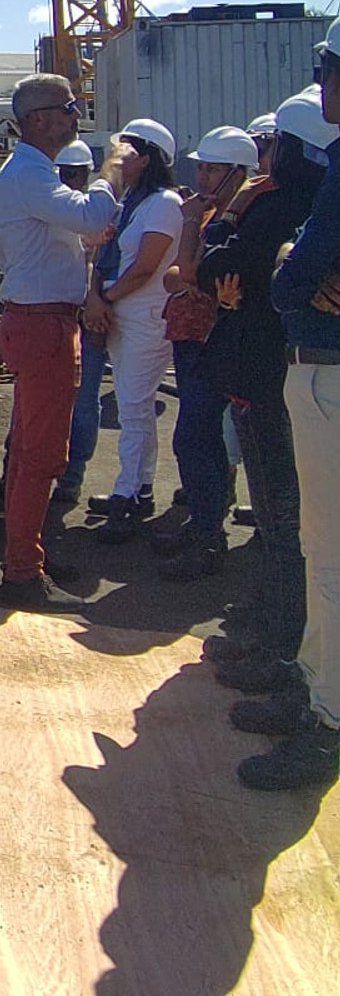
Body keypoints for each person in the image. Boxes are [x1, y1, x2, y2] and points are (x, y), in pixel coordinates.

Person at [204, 100, 330, 720]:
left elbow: (233, 268)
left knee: (288, 526)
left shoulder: (281, 204)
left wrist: (256, 255)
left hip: (270, 375)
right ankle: (284, 639)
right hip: (275, 373)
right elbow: (219, 264)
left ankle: (286, 651)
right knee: (289, 525)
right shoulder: (290, 203)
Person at [246, 24, 340, 791]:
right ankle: (313, 681)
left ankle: (328, 720)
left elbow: (289, 280)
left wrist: (287, 268)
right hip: (320, 372)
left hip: (327, 376)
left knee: (330, 556)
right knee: (318, 547)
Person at [0, 74, 123, 608]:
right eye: (68, 108)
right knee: (42, 454)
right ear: (39, 119)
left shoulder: (32, 174)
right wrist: (112, 168)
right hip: (45, 324)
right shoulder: (28, 174)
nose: (75, 116)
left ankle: (27, 553)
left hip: (39, 319)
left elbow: (78, 226)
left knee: (29, 448)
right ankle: (22, 571)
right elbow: (92, 215)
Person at [152, 126, 262, 573]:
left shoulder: (230, 217)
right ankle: (204, 522)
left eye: (212, 168)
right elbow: (176, 276)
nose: (202, 176)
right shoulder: (217, 211)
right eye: (200, 166)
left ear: (237, 172)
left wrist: (192, 224)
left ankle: (208, 534)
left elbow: (189, 274)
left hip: (214, 339)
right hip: (196, 336)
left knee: (197, 436)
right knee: (199, 438)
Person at [87, 119, 182, 544]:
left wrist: (104, 299)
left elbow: (146, 267)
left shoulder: (163, 204)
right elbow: (106, 253)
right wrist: (100, 295)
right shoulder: (132, 204)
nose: (119, 161)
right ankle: (138, 487)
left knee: (133, 405)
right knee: (135, 407)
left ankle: (129, 493)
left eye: (126, 153)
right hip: (125, 312)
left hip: (145, 316)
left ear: (146, 159)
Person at [56, 139, 109, 505]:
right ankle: (55, 471)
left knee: (84, 399)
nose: (72, 179)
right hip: (60, 313)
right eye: (67, 173)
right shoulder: (61, 206)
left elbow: (101, 258)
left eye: (75, 173)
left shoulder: (93, 211)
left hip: (81, 314)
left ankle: (72, 474)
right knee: (67, 398)